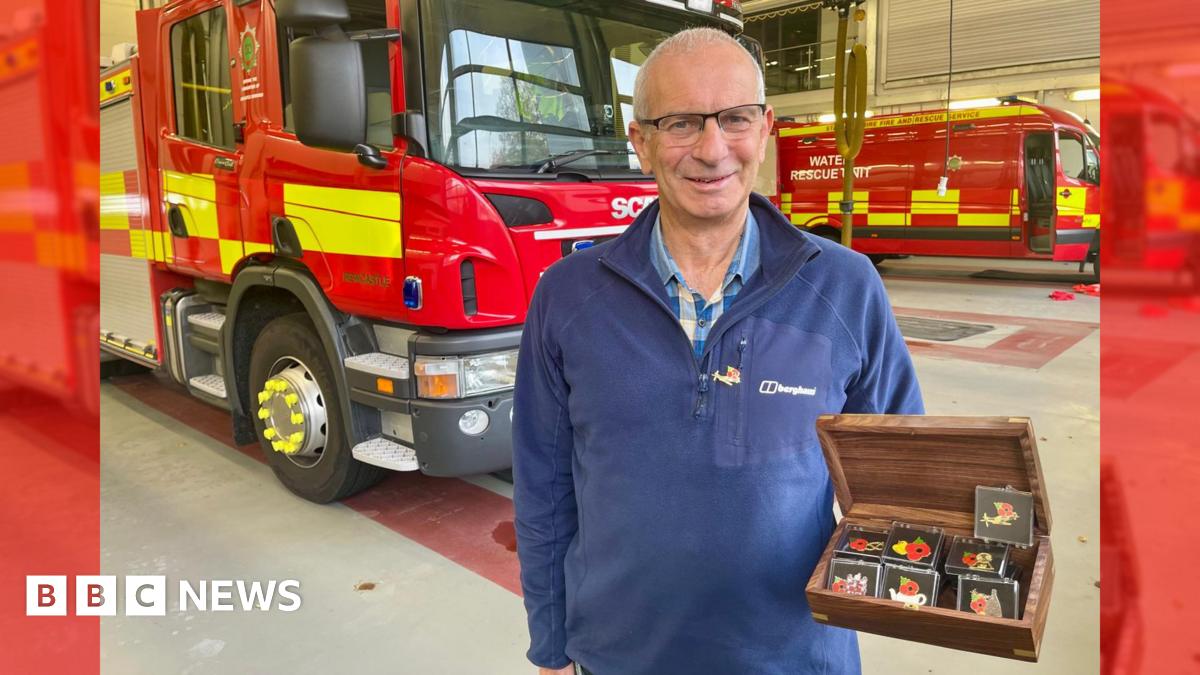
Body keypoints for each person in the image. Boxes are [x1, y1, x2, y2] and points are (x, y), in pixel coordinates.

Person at [512, 27, 923, 675]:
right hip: (619, 657)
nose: (711, 149)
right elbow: (544, 488)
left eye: (734, 118)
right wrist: (551, 643)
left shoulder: (846, 287)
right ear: (641, 142)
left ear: (765, 128)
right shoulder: (567, 297)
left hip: (796, 660)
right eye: (680, 123)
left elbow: (900, 481)